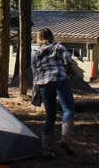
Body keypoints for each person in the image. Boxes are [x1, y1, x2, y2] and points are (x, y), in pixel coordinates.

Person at [31, 27, 76, 156]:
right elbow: (68, 60)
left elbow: (35, 74)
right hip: (59, 79)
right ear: (52, 37)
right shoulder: (58, 47)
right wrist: (71, 72)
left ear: (38, 38)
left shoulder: (35, 54)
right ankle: (65, 139)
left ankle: (46, 148)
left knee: (50, 115)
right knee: (68, 109)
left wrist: (36, 93)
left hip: (43, 84)